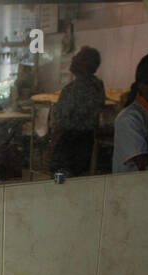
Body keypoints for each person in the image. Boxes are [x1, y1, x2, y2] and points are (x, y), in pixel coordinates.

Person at [50, 46, 105, 177]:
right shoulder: (98, 85)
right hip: (87, 143)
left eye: (78, 57)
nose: (73, 59)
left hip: (69, 144)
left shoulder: (71, 90)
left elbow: (61, 123)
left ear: (85, 64)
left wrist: (52, 146)